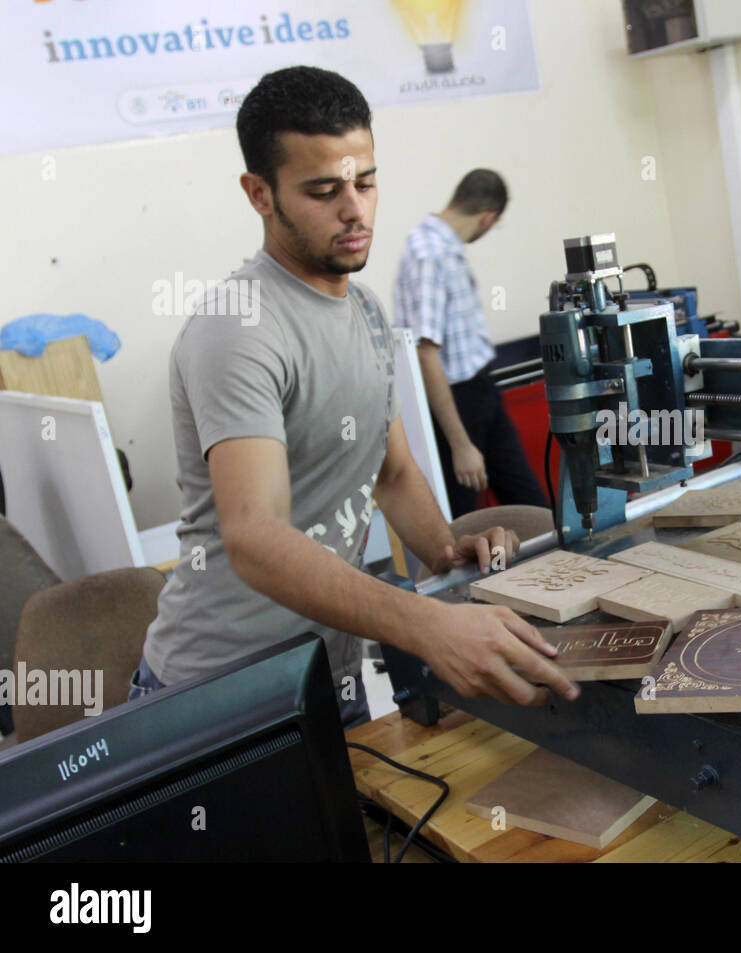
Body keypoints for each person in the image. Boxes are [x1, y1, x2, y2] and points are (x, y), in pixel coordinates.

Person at [130, 67, 577, 729]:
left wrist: (449, 553)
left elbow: (391, 472)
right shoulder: (239, 327)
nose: (355, 210)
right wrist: (425, 623)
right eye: (323, 191)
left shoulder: (364, 310)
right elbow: (255, 537)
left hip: (326, 674)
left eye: (365, 182)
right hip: (217, 699)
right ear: (259, 194)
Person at [392, 169, 549, 518]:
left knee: (529, 504)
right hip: (455, 401)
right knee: (462, 519)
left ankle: (558, 567)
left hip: (480, 389)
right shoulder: (429, 254)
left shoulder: (442, 246)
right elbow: (425, 353)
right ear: (487, 217)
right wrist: (460, 444)